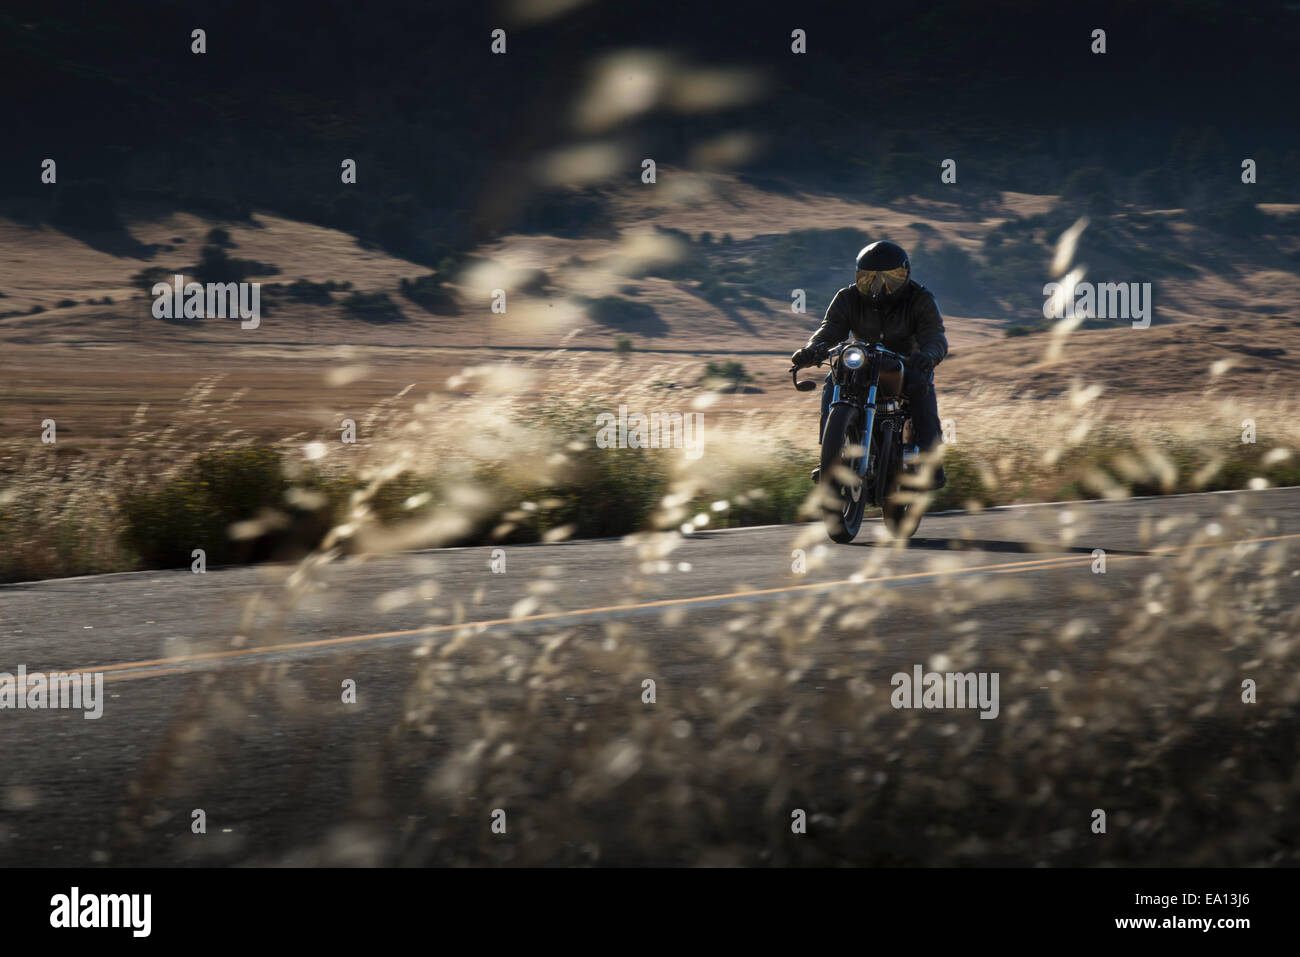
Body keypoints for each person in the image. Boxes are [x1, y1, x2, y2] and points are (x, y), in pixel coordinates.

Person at [790, 240, 947, 488]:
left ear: (906, 274)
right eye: (869, 279)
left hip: (906, 364)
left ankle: (930, 462)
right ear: (858, 277)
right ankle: (829, 456)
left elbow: (935, 335)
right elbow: (829, 329)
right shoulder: (847, 298)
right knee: (833, 380)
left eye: (890, 279)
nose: (879, 287)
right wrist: (812, 350)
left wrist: (927, 356)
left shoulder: (920, 299)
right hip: (862, 359)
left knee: (921, 388)